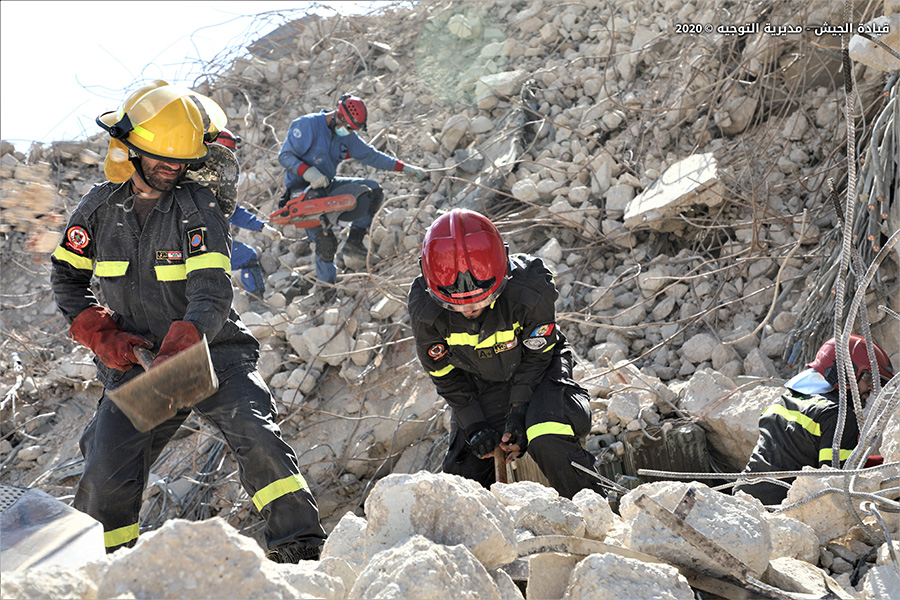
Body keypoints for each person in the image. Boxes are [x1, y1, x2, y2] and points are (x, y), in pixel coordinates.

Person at [49, 80, 326, 562]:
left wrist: (183, 347)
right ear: (129, 150)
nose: (172, 168)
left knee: (254, 433)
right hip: (139, 363)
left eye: (182, 161)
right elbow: (66, 279)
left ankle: (300, 551)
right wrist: (102, 333)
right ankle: (104, 569)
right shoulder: (97, 209)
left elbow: (211, 291)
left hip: (210, 352)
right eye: (161, 159)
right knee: (106, 468)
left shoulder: (196, 208)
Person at [407, 208, 605, 499]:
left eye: (482, 299)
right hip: (478, 382)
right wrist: (474, 424)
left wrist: (519, 411)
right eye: (456, 305)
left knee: (545, 434)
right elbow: (444, 375)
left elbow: (539, 355)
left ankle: (597, 510)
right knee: (462, 479)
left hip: (538, 371)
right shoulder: (425, 311)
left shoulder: (530, 288)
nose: (469, 309)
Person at [277, 93, 426, 302]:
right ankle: (327, 292)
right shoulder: (307, 126)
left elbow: (371, 155)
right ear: (338, 116)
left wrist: (405, 168)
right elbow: (284, 156)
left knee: (372, 191)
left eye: (352, 130)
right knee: (325, 240)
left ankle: (354, 242)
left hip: (326, 186)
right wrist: (307, 172)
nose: (348, 133)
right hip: (303, 190)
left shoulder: (345, 135)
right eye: (348, 127)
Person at [735, 335, 895, 505]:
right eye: (869, 379)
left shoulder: (784, 401)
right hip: (781, 510)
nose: (870, 389)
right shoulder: (838, 417)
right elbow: (840, 481)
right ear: (846, 372)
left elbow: (843, 462)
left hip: (742, 497)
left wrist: (887, 462)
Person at [212, 128, 282, 296]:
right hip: (196, 246)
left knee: (246, 256)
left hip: (211, 242)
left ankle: (253, 298)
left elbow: (233, 212)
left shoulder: (217, 183)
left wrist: (263, 228)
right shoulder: (196, 183)